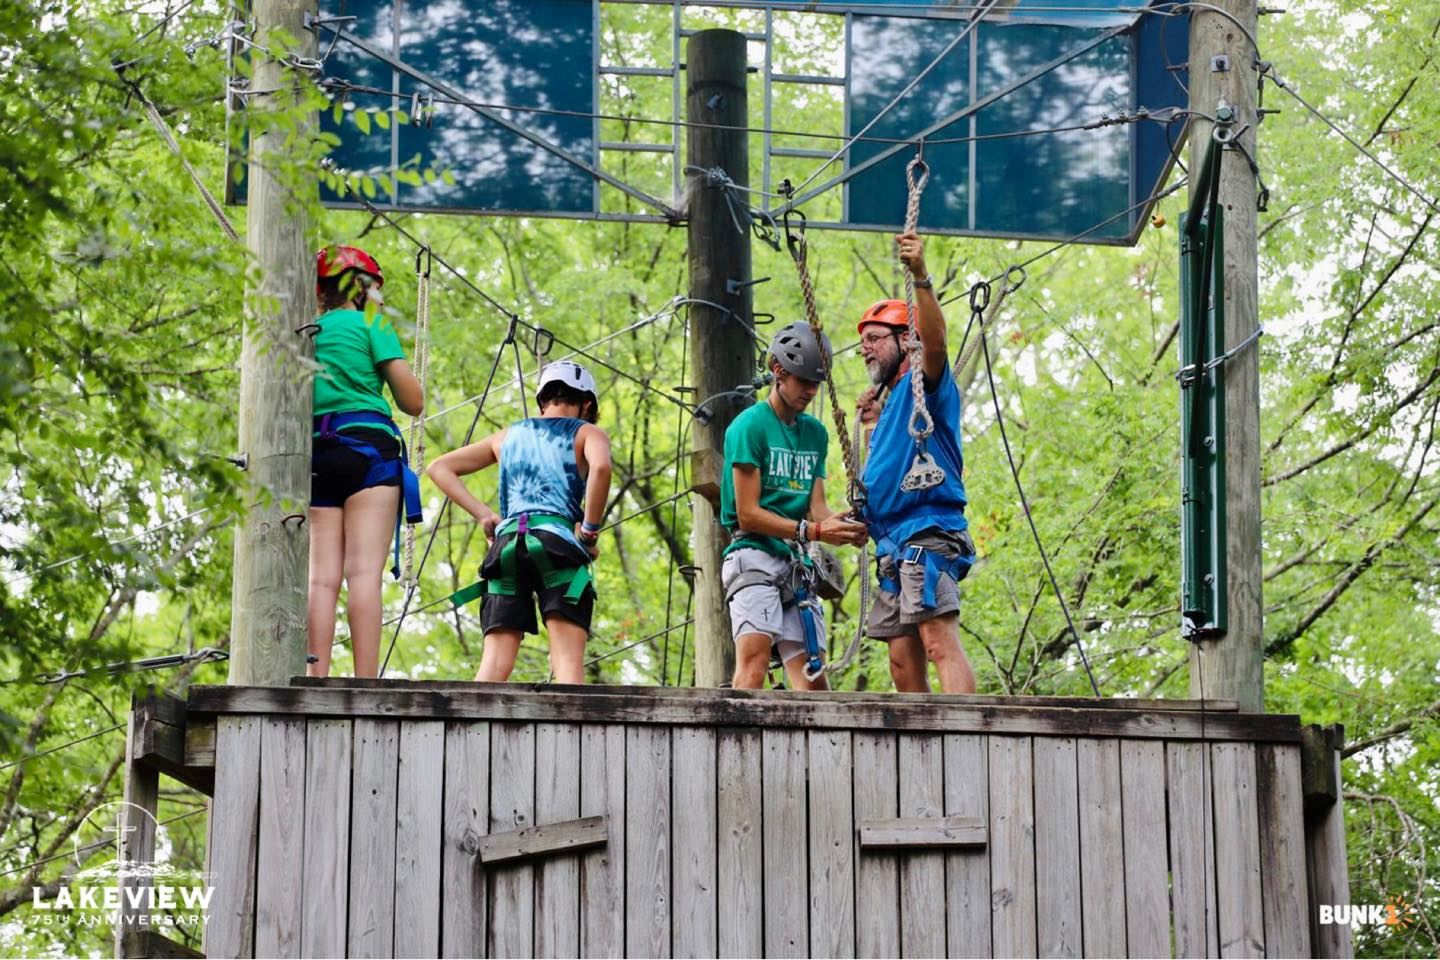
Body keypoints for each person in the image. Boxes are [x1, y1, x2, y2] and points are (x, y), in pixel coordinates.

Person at [427, 360, 612, 683]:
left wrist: (484, 514)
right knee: (567, 661)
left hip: (507, 546)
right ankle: (571, 717)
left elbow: (438, 467)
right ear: (586, 404)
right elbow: (601, 468)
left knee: (494, 664)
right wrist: (589, 531)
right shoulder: (587, 432)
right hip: (557, 545)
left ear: (542, 400)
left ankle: (470, 717)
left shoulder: (506, 436)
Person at [856, 231, 978, 694]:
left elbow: (937, 342)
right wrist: (871, 424)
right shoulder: (891, 408)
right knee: (901, 661)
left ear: (906, 340)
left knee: (937, 640)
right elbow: (885, 473)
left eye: (874, 338)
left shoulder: (925, 386)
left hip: (925, 532)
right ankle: (921, 735)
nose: (865, 348)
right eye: (862, 342)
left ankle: (964, 729)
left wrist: (921, 276)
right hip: (891, 543)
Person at [720, 322, 869, 691]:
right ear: (778, 372)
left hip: (794, 561)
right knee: (754, 663)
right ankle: (739, 727)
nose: (811, 391)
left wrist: (844, 524)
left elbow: (817, 509)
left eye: (816, 383)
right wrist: (814, 531)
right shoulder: (749, 427)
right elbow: (747, 514)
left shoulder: (814, 433)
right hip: (752, 553)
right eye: (804, 381)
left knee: (813, 680)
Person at [308, 244, 425, 678]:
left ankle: (315, 676)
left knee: (321, 578)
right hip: (369, 450)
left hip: (317, 454)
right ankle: (365, 682)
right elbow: (413, 401)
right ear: (363, 289)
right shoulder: (371, 324)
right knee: (362, 575)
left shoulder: (307, 332)